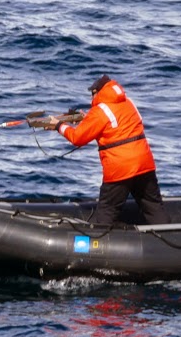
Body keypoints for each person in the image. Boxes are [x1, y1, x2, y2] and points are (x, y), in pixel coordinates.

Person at [33, 74, 169, 227]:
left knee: (106, 214)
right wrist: (87, 119)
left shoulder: (100, 110)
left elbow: (77, 137)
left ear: (97, 92)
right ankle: (169, 239)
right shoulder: (128, 102)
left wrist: (58, 126)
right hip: (144, 163)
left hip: (120, 168)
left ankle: (101, 244)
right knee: (153, 207)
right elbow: (117, 125)